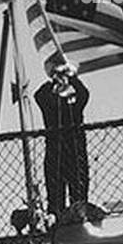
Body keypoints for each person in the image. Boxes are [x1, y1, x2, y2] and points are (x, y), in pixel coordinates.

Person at [34, 67, 90, 219]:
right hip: (58, 153)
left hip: (74, 153)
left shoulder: (74, 109)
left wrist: (67, 79)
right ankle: (58, 221)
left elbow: (84, 95)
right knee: (56, 196)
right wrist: (63, 79)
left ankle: (77, 220)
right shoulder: (52, 110)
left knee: (78, 194)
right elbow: (39, 96)